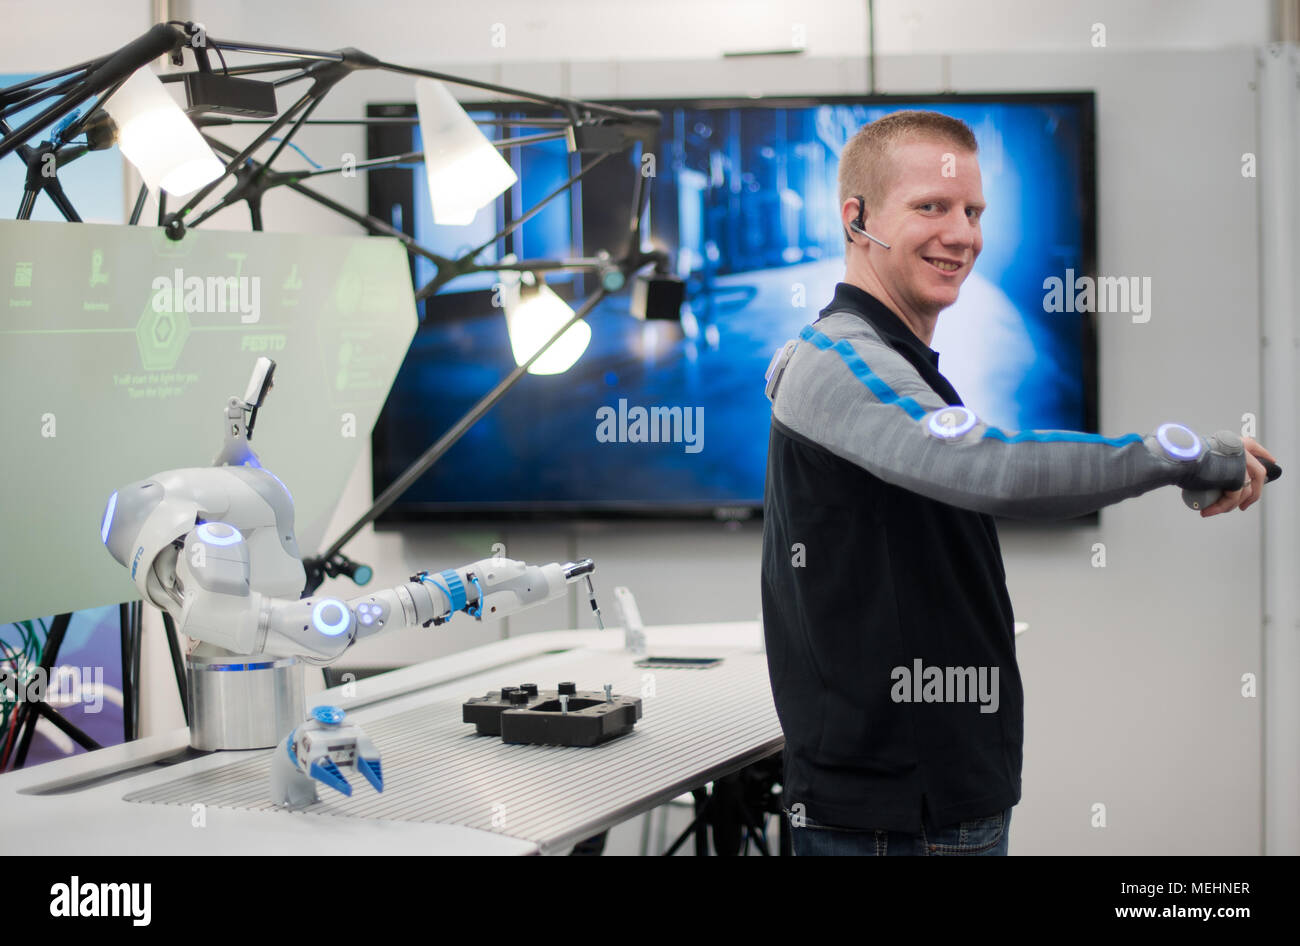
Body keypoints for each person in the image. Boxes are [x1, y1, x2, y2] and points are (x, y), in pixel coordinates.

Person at [760, 110, 1276, 856]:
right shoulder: (843, 359)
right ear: (858, 218)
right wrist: (1182, 455)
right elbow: (993, 467)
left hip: (928, 798)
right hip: (894, 815)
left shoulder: (879, 357)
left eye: (973, 211)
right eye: (931, 207)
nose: (962, 234)